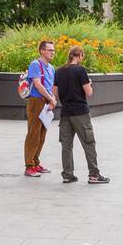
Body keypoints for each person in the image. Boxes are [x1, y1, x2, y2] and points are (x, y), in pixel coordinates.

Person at [53, 45, 109, 185]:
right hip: (80, 112)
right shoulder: (81, 70)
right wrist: (88, 84)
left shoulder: (59, 71)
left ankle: (67, 174)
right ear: (80, 56)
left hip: (65, 112)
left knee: (66, 145)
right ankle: (94, 175)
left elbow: (55, 93)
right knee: (89, 143)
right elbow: (88, 92)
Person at [23, 40, 57, 177]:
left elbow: (52, 86)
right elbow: (37, 85)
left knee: (42, 135)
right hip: (36, 101)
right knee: (33, 134)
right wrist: (51, 98)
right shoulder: (35, 64)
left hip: (46, 102)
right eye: (50, 50)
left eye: (53, 50)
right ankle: (29, 166)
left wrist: (53, 100)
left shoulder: (51, 68)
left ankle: (36, 162)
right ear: (42, 51)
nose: (52, 52)